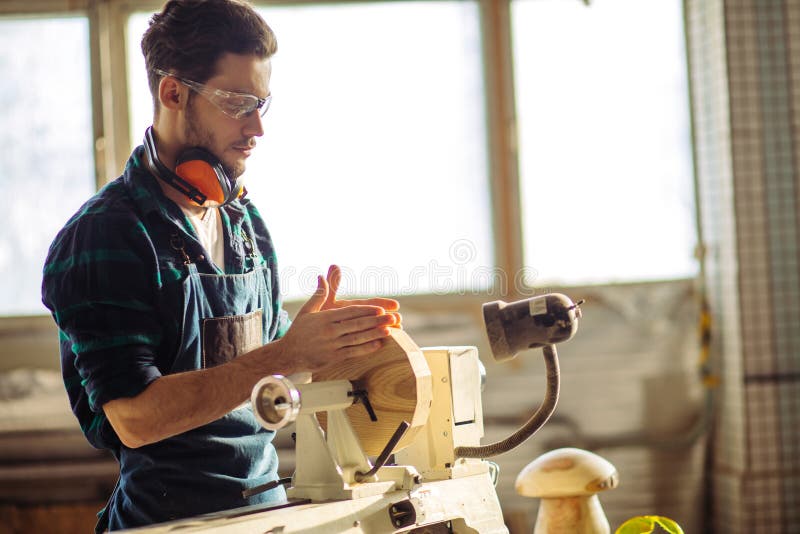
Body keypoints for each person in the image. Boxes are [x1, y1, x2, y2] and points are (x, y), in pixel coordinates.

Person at [41, 0, 400, 531]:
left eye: (263, 104)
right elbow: (135, 418)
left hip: (265, 511)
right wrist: (286, 352)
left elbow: (266, 381)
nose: (257, 127)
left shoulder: (243, 223)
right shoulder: (106, 235)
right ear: (172, 92)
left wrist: (329, 350)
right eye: (237, 102)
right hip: (165, 522)